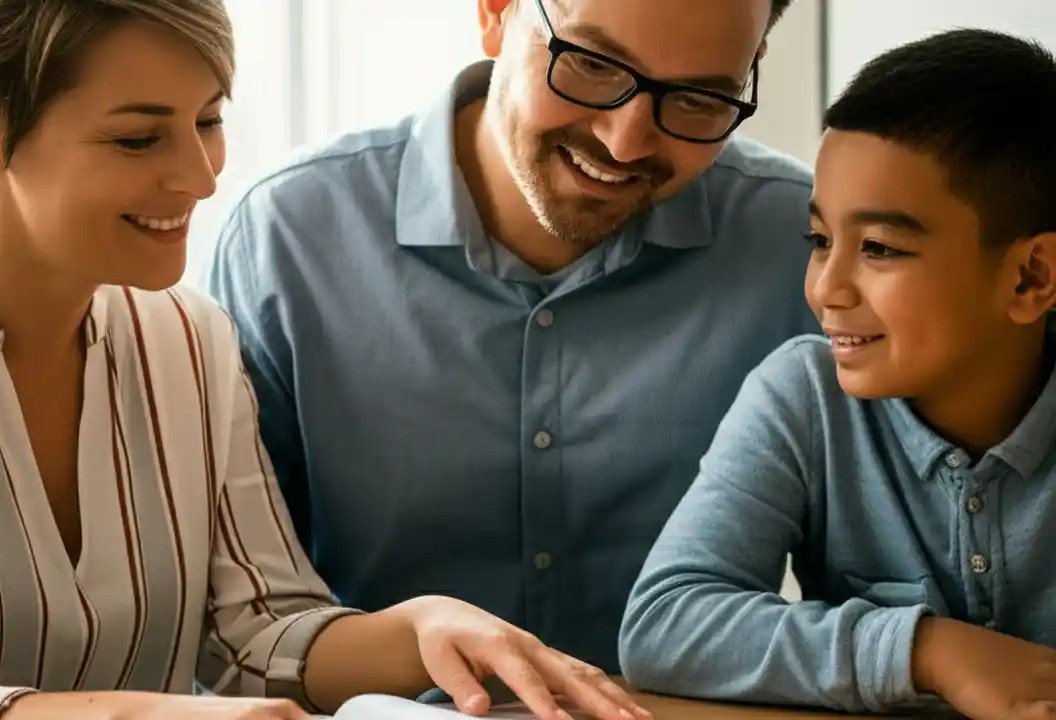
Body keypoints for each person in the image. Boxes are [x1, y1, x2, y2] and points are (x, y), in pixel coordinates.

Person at [0, 2, 651, 719]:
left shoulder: (191, 339)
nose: (200, 177)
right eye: (138, 139)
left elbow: (257, 635)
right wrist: (144, 716)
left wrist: (423, 628)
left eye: (208, 121)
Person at [207, 0, 814, 671]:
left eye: (698, 98)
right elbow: (242, 625)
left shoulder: (806, 247)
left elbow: (874, 581)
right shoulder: (286, 239)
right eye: (590, 64)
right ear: (495, 14)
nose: (625, 141)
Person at [619, 29, 1056, 719]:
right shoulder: (804, 396)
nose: (826, 288)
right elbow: (666, 626)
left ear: (1031, 277)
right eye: (820, 240)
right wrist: (925, 652)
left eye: (879, 248)